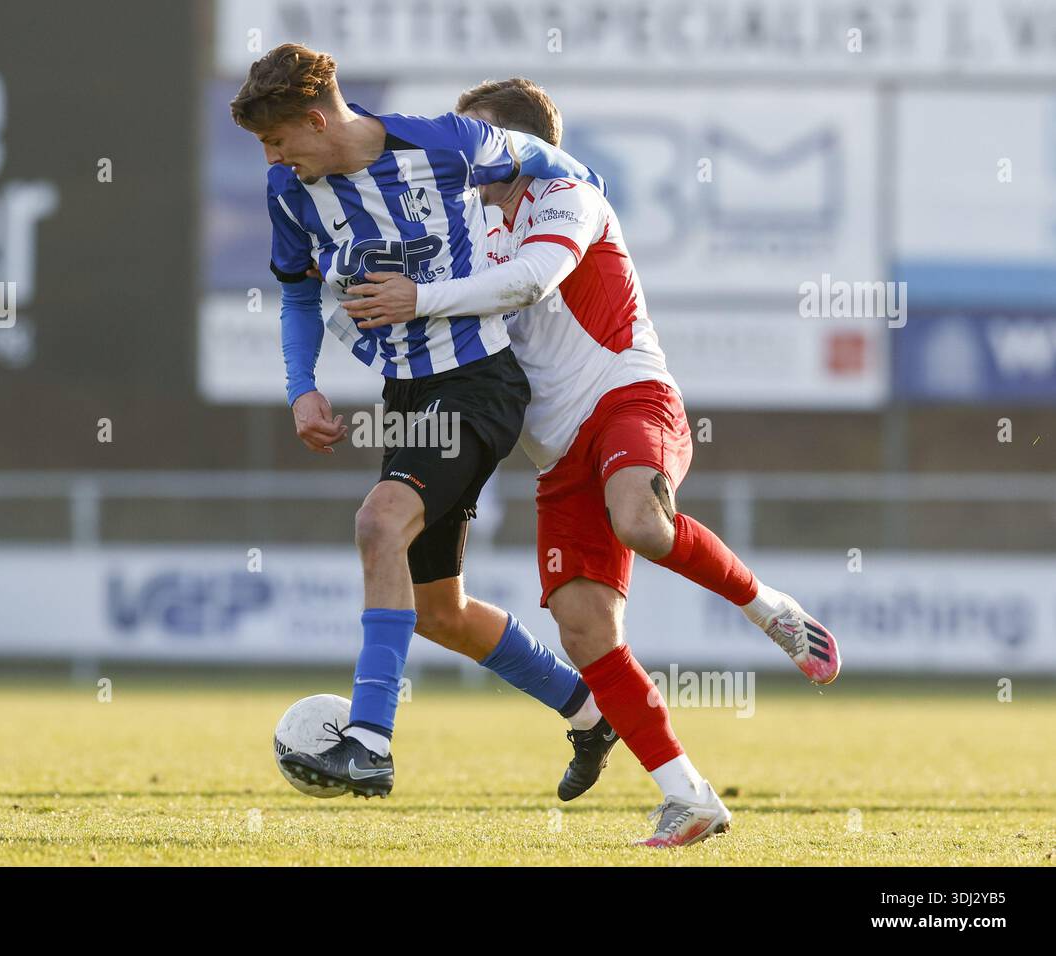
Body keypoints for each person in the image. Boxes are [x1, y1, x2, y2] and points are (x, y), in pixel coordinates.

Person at [345, 77, 842, 846]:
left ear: (508, 143)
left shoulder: (566, 192)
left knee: (641, 521)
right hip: (557, 456)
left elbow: (532, 279)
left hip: (627, 399)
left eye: (470, 134)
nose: (456, 148)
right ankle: (691, 797)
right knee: (583, 630)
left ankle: (765, 607)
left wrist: (420, 299)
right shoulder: (468, 221)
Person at [231, 44, 618, 799]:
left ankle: (369, 742)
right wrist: (301, 388)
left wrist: (585, 184)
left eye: (279, 141)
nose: (275, 158)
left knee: (380, 524)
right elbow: (299, 296)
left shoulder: (439, 142)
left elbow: (543, 155)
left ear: (316, 119)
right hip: (406, 397)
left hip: (478, 382)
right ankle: (590, 709)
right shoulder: (289, 190)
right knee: (439, 610)